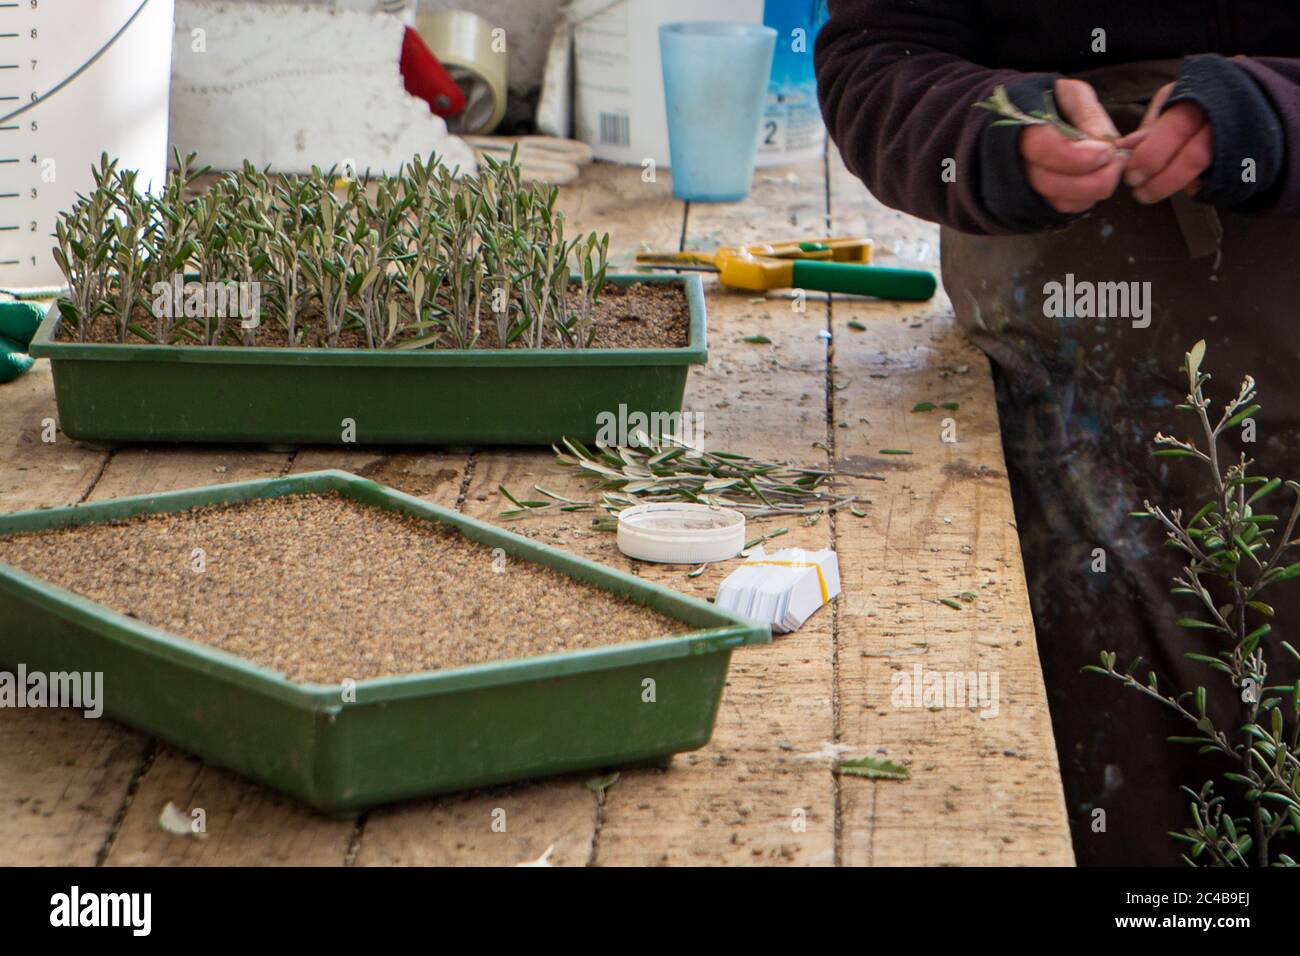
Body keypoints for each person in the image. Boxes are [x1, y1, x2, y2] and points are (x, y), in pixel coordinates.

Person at [816, 1, 1300, 865]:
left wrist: (1267, 117)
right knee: (1118, 775)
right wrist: (993, 139)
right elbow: (879, 52)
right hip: (1049, 364)